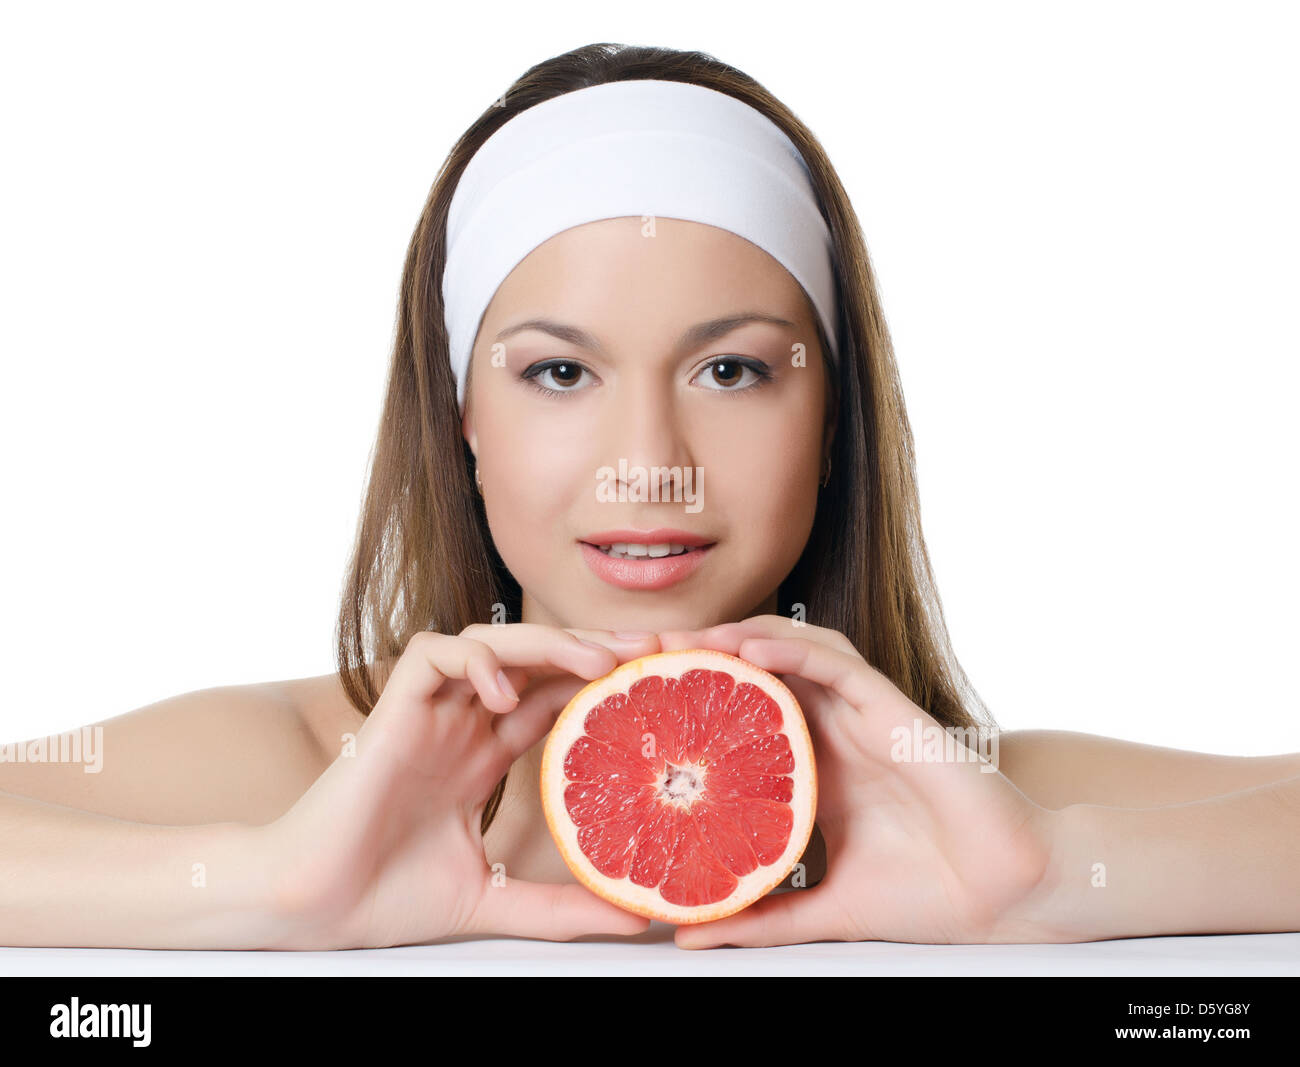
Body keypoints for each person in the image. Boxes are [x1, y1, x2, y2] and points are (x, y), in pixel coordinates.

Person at [2, 42, 1298, 952]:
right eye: (559, 372)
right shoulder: (301, 766)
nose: (649, 461)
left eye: (732, 370)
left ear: (832, 424)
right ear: (461, 421)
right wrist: (273, 886)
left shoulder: (952, 802)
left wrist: (1052, 879)